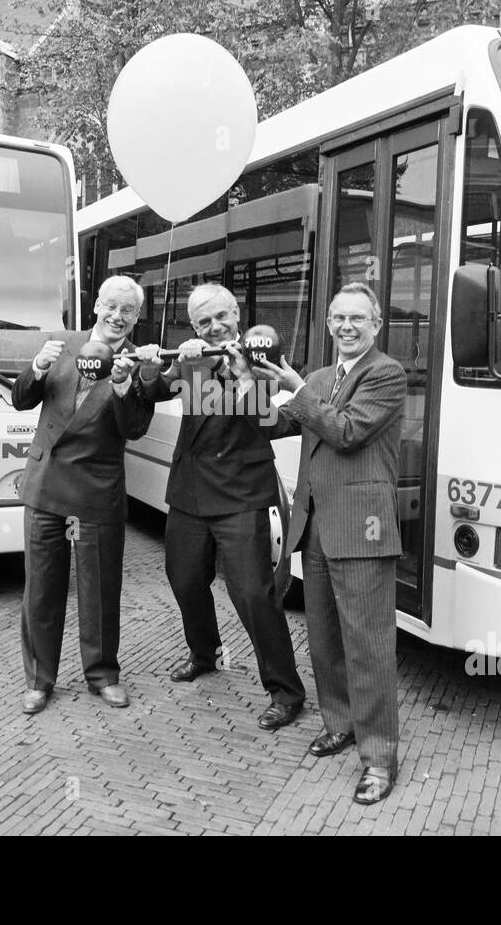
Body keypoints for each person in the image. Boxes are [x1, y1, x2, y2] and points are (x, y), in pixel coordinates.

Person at [249, 282, 407, 805]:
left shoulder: (385, 374)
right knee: (324, 639)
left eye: (357, 318)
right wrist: (247, 380)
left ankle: (380, 756)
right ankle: (340, 723)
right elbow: (276, 424)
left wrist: (296, 393)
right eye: (338, 317)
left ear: (376, 325)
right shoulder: (318, 377)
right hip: (315, 527)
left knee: (368, 646)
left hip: (362, 529)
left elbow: (345, 431)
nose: (345, 326)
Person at [132, 283, 306, 731]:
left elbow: (267, 422)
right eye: (203, 322)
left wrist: (235, 371)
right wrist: (162, 365)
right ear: (192, 326)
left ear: (237, 314)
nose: (214, 327)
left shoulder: (261, 356)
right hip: (190, 492)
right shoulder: (192, 358)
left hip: (244, 493)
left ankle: (286, 691)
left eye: (220, 317)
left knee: (252, 594)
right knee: (184, 578)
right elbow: (154, 393)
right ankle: (204, 652)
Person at [11, 276, 153, 714]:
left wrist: (127, 386)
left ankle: (103, 675)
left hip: (98, 490)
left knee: (100, 589)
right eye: (111, 306)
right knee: (42, 588)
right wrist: (35, 367)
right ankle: (39, 680)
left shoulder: (141, 362)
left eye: (127, 310)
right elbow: (20, 401)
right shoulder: (59, 345)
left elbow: (135, 429)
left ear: (136, 317)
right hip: (46, 484)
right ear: (96, 307)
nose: (117, 316)